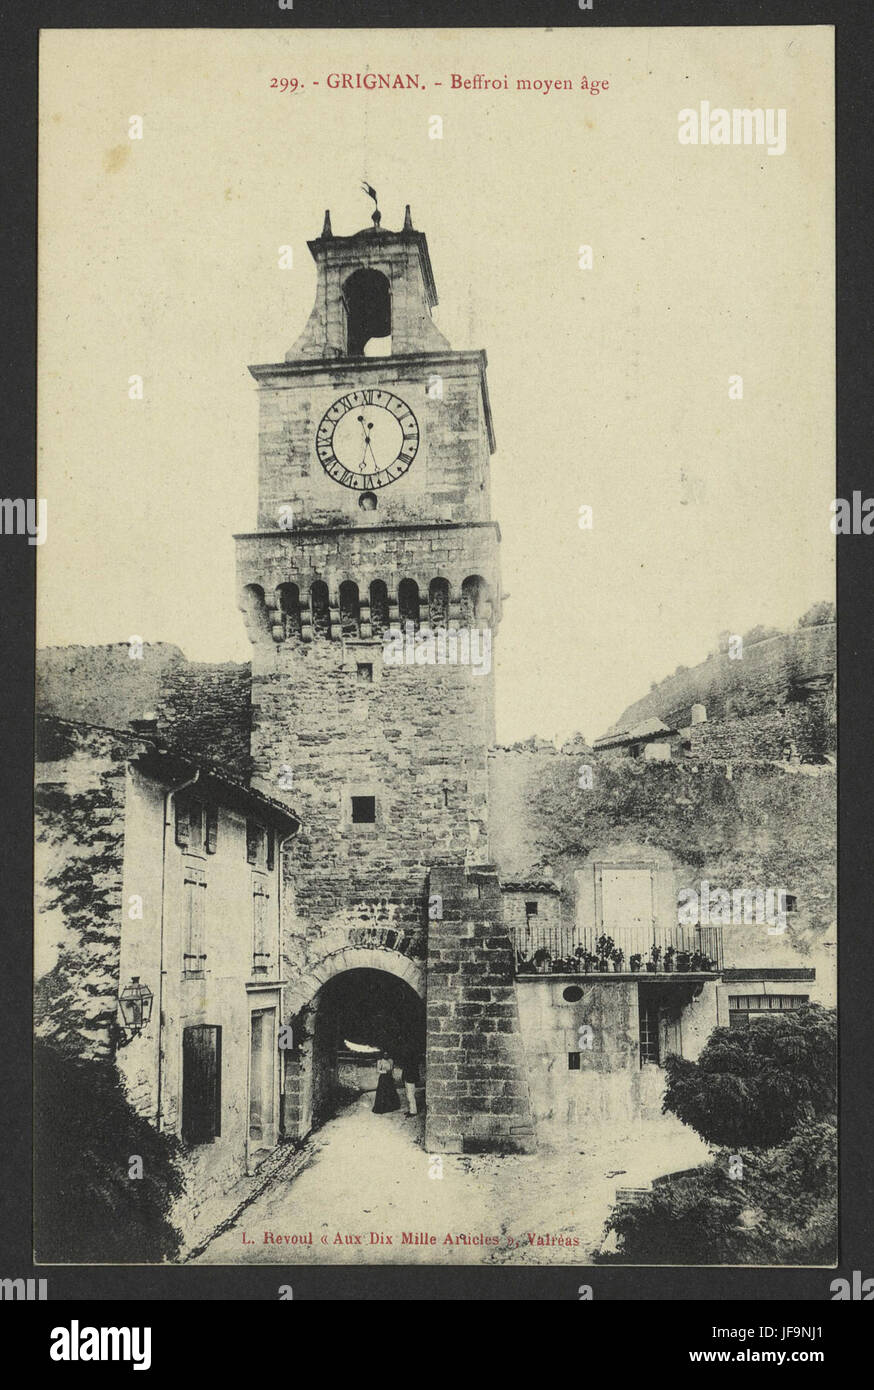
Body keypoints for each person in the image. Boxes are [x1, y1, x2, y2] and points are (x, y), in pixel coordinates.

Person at [397, 1041, 420, 1117]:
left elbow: (413, 1072)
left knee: (410, 1095)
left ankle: (413, 1111)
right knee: (408, 1094)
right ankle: (411, 1110)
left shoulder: (412, 1062)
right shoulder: (408, 1061)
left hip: (410, 1079)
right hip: (407, 1079)